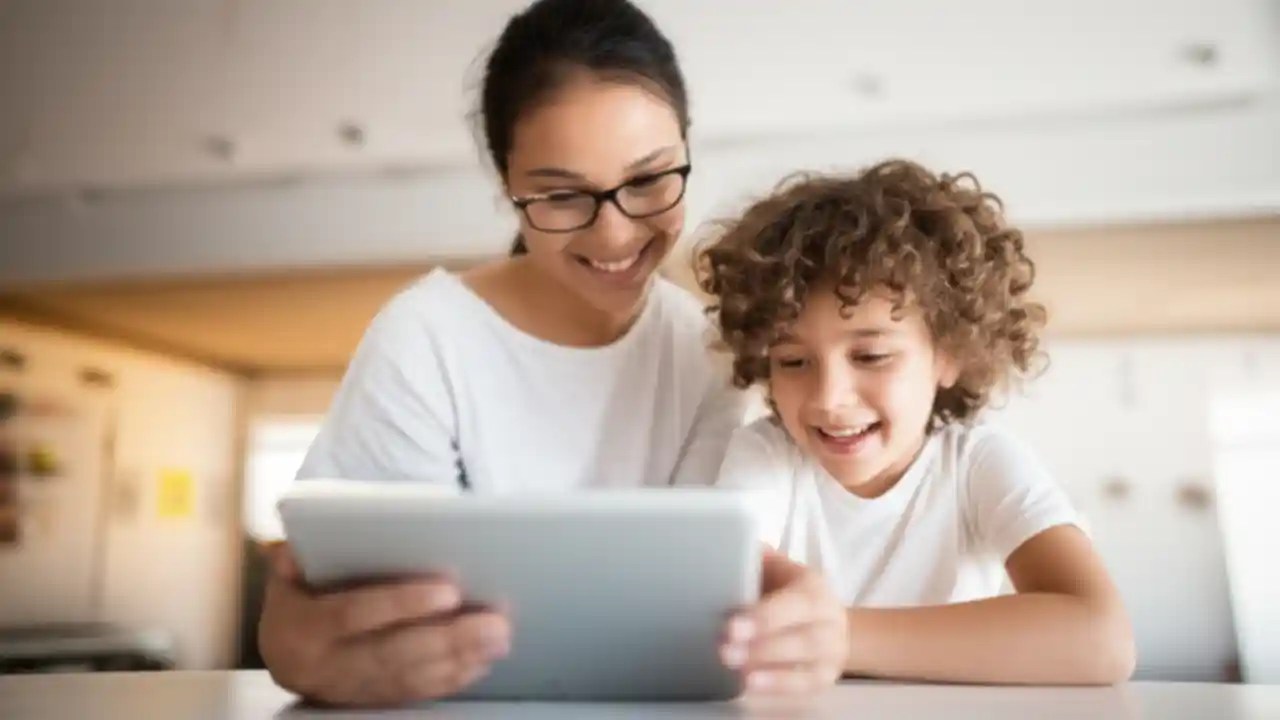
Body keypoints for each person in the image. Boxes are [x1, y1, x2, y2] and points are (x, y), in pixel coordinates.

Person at [258, 0, 846, 707]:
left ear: (687, 148)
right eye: (562, 195)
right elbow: (312, 606)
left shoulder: (709, 354)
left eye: (649, 179)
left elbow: (707, 585)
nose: (615, 235)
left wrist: (800, 621)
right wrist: (301, 647)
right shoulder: (427, 339)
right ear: (509, 185)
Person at [698, 160, 1137, 685]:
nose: (829, 399)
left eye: (871, 356)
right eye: (793, 361)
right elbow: (730, 585)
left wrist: (842, 635)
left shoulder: (978, 464)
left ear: (949, 353)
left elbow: (1102, 639)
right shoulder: (765, 456)